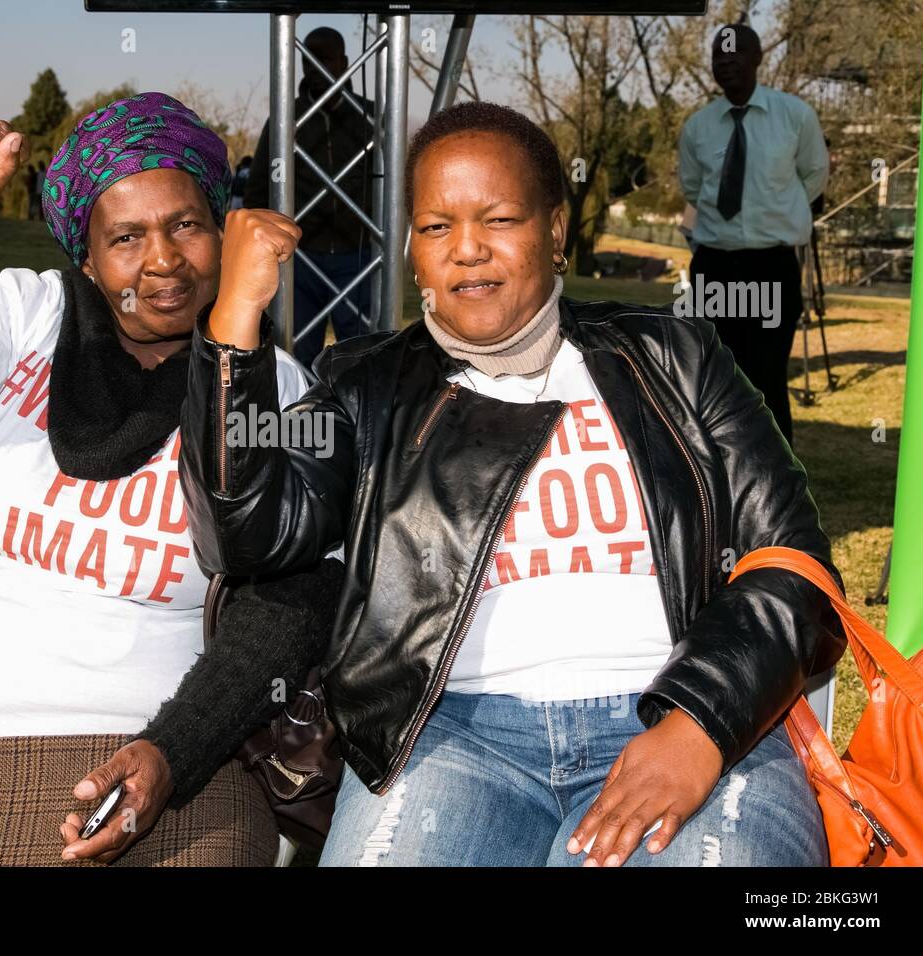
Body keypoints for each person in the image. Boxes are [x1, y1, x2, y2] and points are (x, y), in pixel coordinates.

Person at [179, 101, 847, 866]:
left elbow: (795, 565)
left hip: (683, 715)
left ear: (556, 230)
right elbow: (242, 533)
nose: (465, 251)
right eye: (435, 228)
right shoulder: (366, 389)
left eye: (497, 220)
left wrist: (699, 722)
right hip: (448, 740)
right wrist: (234, 322)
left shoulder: (675, 357)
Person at [0, 92, 340, 867]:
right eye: (126, 236)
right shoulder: (27, 320)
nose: (164, 260)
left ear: (224, 230)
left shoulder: (273, 385)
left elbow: (291, 601)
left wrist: (173, 752)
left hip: (169, 761)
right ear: (85, 256)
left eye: (185, 225)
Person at [679, 22, 829, 446]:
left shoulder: (795, 116)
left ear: (759, 58)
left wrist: (774, 213)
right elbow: (693, 187)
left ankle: (777, 478)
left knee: (767, 374)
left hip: (771, 266)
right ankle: (721, 466)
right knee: (716, 372)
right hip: (715, 265)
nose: (726, 62)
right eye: (718, 56)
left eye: (736, 53)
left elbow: (813, 176)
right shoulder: (699, 127)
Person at [244, 26, 376, 371]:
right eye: (309, 59)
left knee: (361, 357)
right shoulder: (286, 120)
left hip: (359, 258)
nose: (316, 67)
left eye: (326, 58)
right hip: (299, 261)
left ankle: (359, 425)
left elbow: (395, 186)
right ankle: (300, 424)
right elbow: (258, 188)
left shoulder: (371, 117)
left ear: (345, 62)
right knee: (295, 356)